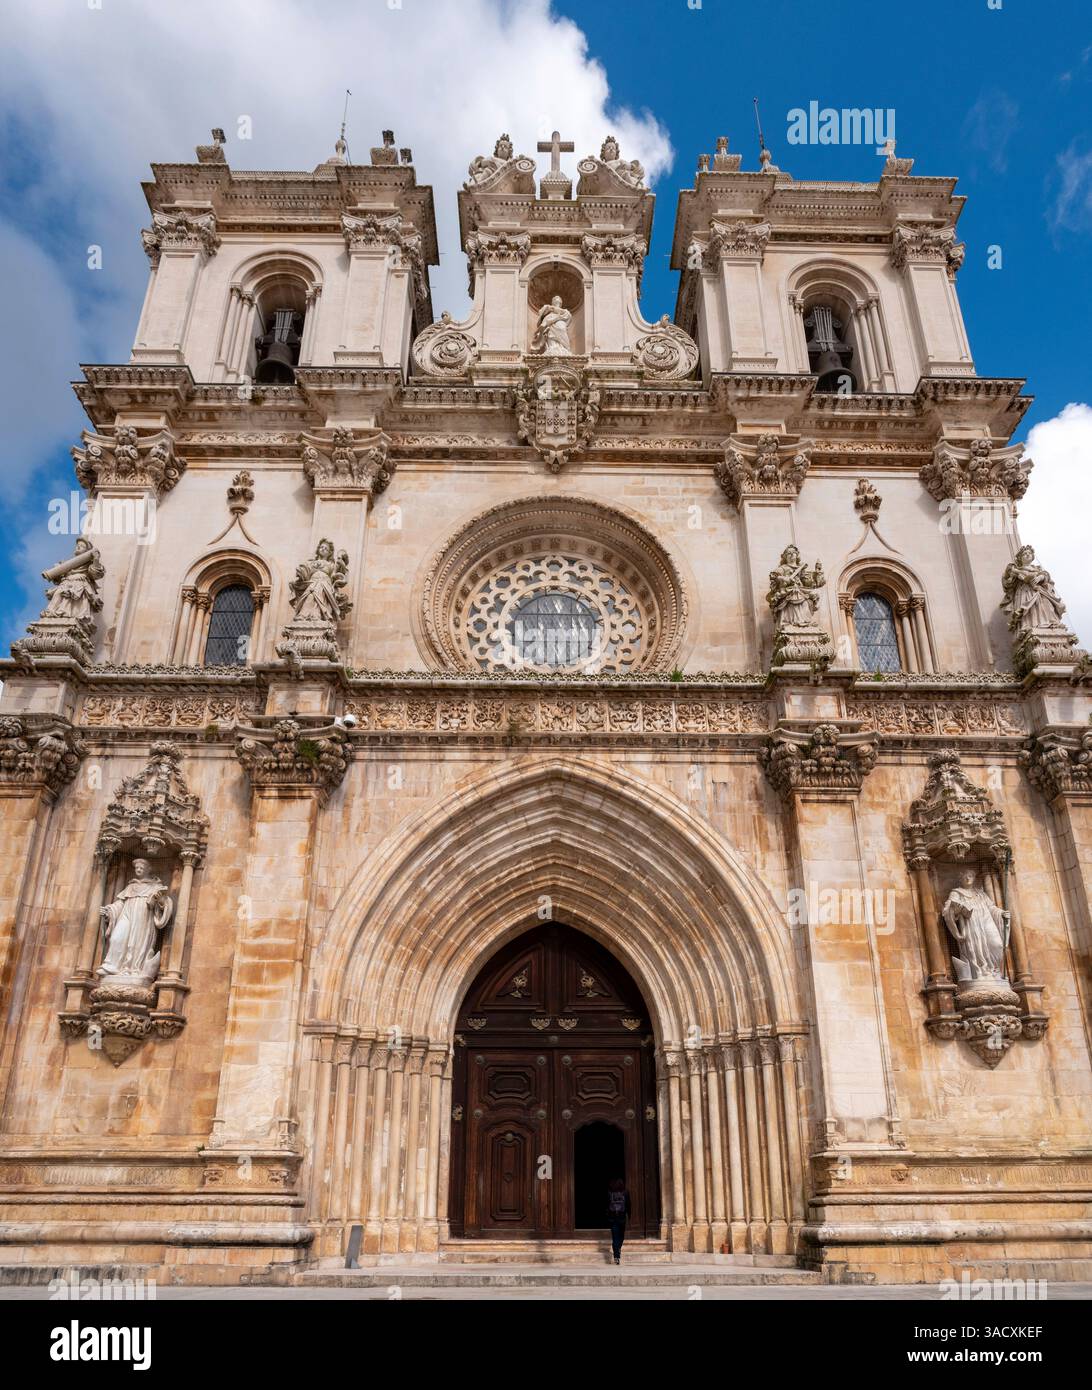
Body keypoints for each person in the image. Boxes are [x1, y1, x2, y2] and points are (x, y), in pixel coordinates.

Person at [606, 1177, 630, 1264]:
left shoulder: (609, 1193)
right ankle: (617, 1251)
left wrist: (607, 1215)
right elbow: (628, 1205)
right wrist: (629, 1216)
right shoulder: (625, 1192)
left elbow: (607, 1205)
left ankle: (616, 1254)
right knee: (621, 1236)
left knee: (615, 1237)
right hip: (622, 1217)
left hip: (613, 1218)